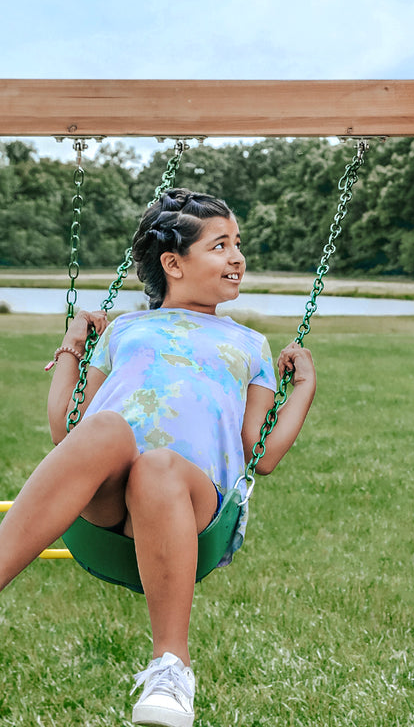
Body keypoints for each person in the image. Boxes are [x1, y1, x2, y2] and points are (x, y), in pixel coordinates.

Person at [0, 189, 316, 727]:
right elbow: (67, 430)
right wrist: (74, 344)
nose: (237, 257)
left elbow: (259, 455)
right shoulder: (125, 328)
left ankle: (171, 668)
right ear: (173, 263)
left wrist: (303, 386)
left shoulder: (251, 345)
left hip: (191, 506)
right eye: (220, 245)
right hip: (104, 502)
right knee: (105, 428)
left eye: (237, 244)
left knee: (159, 466)